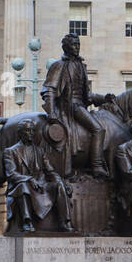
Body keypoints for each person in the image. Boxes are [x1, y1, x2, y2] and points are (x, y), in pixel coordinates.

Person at [41, 32, 114, 179]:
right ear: (66, 47)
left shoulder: (81, 66)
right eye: (74, 45)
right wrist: (52, 113)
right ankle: (97, 165)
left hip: (80, 104)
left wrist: (104, 98)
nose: (77, 47)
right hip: (70, 108)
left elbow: (87, 95)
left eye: (78, 44)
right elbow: (49, 89)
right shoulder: (59, 65)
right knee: (98, 129)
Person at [3, 120, 73, 233]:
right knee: (23, 186)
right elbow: (11, 174)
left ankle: (64, 222)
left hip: (40, 185)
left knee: (59, 185)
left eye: (32, 130)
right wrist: (29, 179)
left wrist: (61, 181)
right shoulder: (10, 151)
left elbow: (50, 171)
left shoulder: (40, 150)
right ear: (20, 133)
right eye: (27, 130)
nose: (30, 133)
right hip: (20, 185)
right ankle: (27, 222)